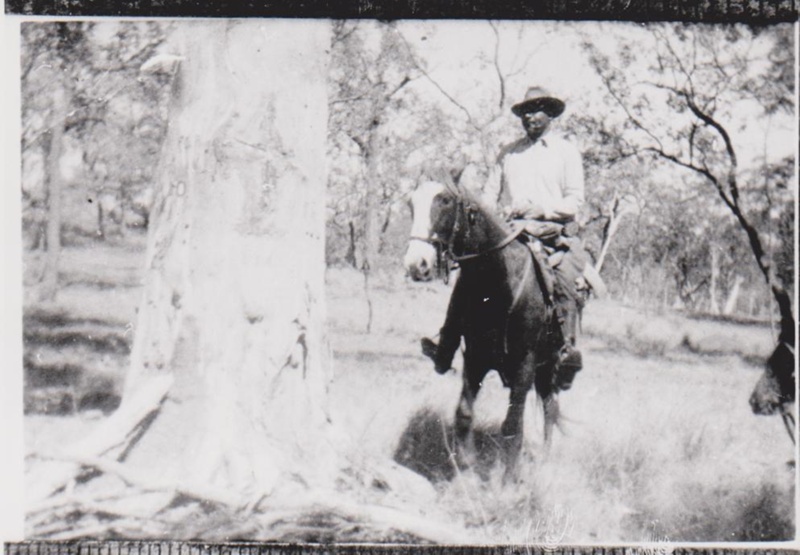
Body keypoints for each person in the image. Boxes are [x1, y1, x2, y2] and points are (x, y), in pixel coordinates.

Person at [422, 86, 599, 390]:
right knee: (469, 276)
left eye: (537, 110)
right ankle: (446, 341)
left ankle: (565, 349)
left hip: (550, 233)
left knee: (566, 276)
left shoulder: (565, 152)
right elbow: (489, 197)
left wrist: (541, 209)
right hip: (510, 232)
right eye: (525, 112)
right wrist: (498, 213)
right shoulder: (508, 153)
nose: (530, 116)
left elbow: (575, 202)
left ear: (550, 115)